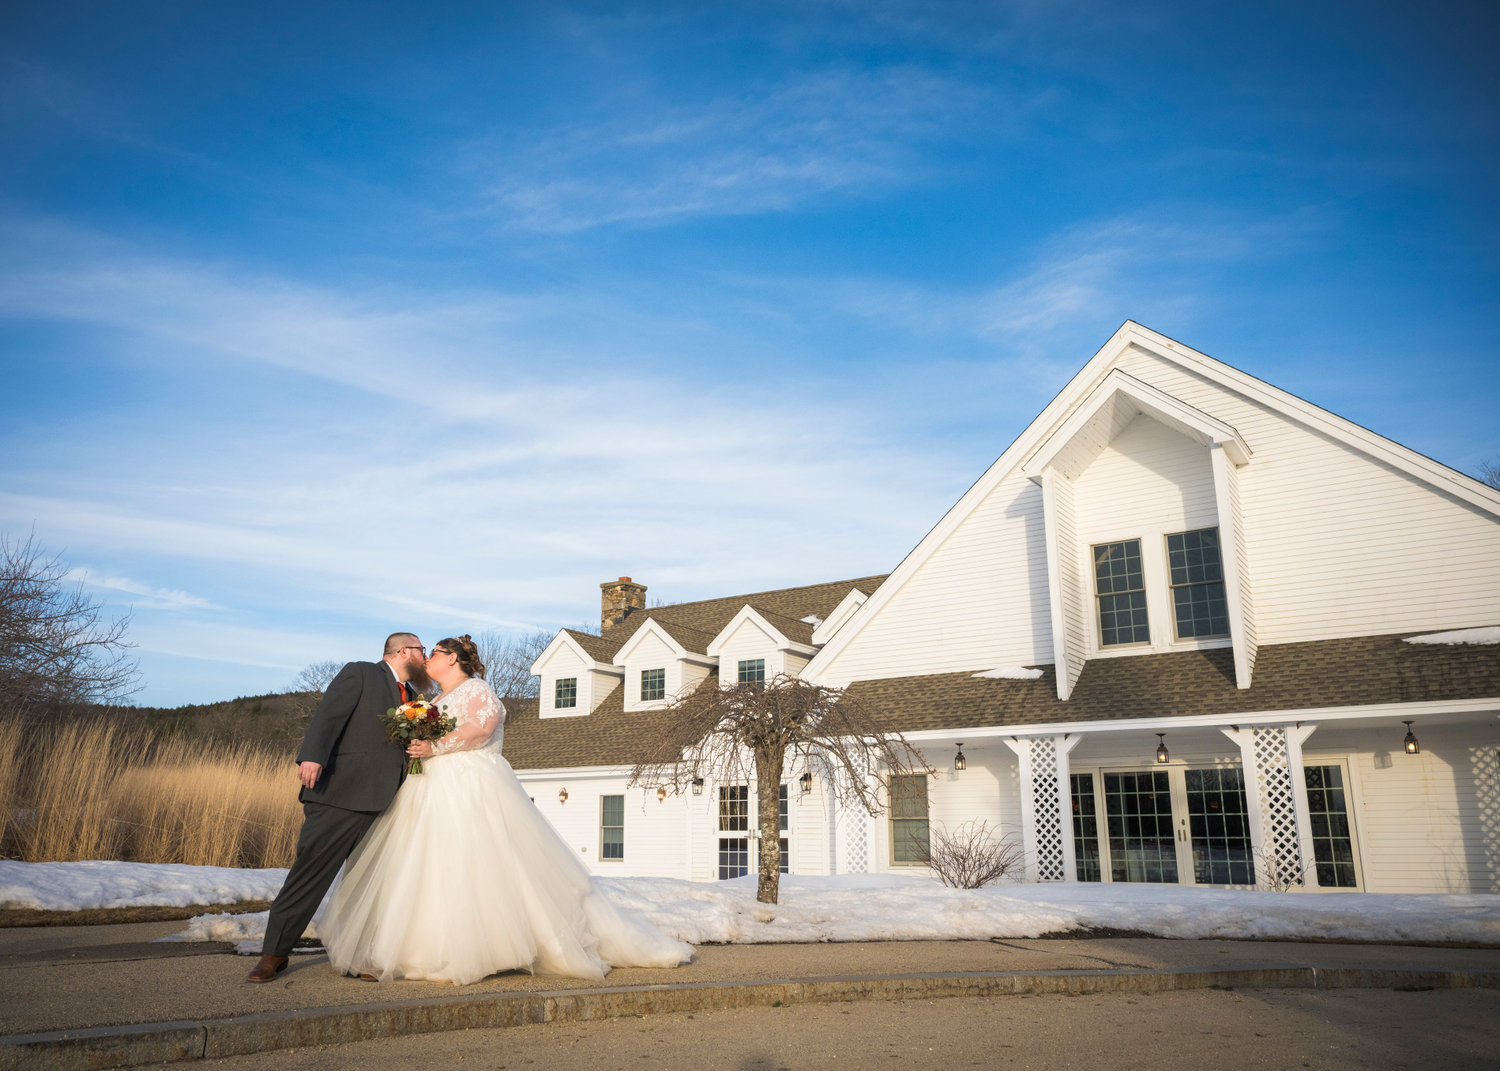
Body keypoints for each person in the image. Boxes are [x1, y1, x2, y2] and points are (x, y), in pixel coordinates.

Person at [314, 635, 693, 983]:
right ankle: (421, 946)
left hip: (470, 785)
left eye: (434, 653)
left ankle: (488, 947)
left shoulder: (476, 690)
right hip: (432, 787)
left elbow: (481, 729)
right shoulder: (433, 701)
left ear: (453, 659)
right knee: (430, 865)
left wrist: (434, 747)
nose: (427, 658)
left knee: (479, 863)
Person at [246, 633, 429, 983]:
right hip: (339, 796)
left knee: (365, 887)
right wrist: (313, 756)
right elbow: (329, 715)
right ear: (403, 651)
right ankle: (273, 955)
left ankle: (355, 959)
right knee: (309, 876)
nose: (424, 657)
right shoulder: (361, 673)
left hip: (386, 806)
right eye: (421, 650)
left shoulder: (417, 698)